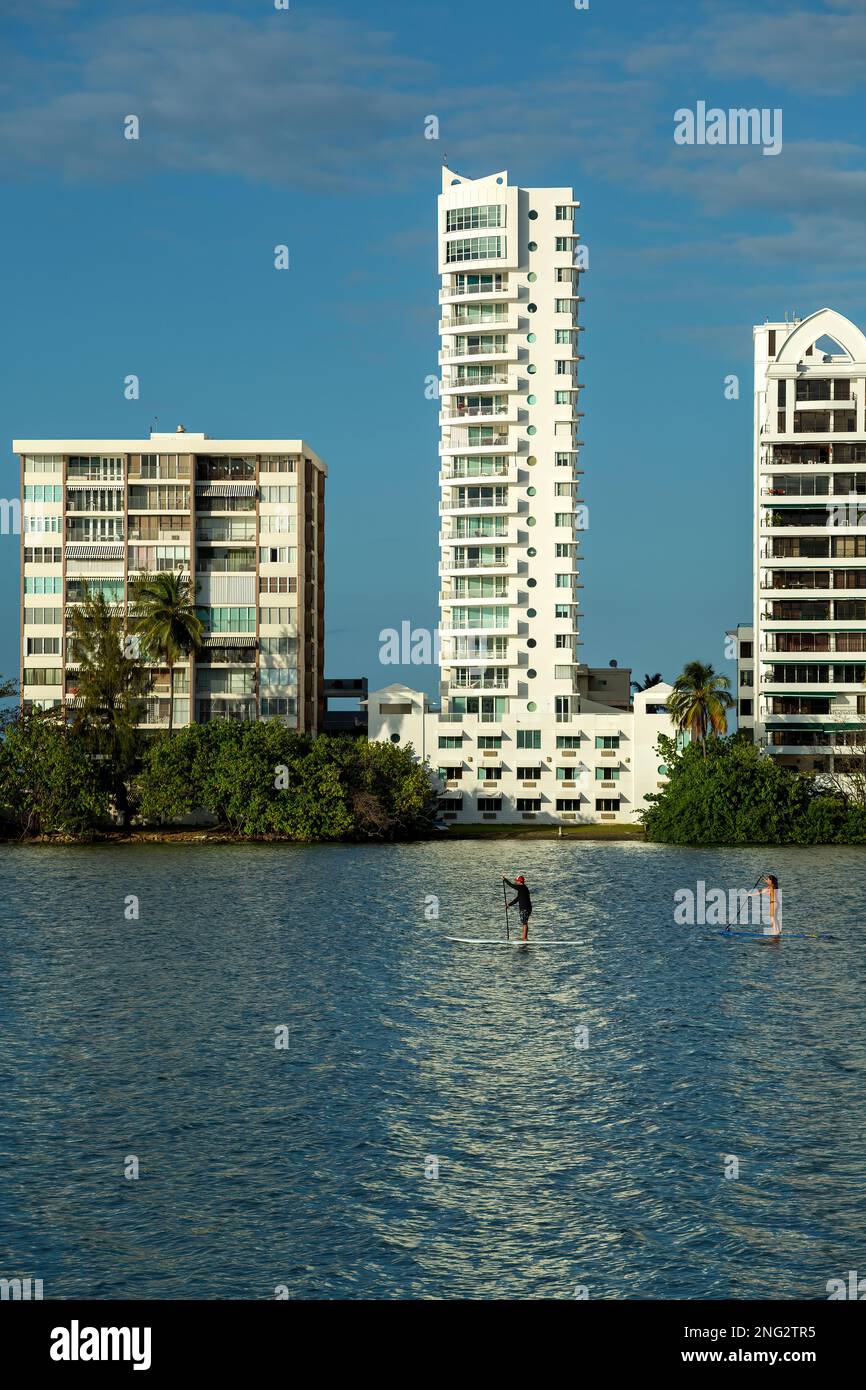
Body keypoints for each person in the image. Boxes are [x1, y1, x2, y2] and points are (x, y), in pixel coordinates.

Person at [503, 875, 532, 942]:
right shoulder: (523, 889)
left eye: (516, 881)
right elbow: (517, 899)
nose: (515, 882)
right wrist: (509, 905)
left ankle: (524, 938)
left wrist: (505, 880)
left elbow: (512, 885)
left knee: (524, 923)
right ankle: (524, 937)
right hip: (527, 908)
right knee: (524, 922)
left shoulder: (521, 887)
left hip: (525, 908)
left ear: (520, 881)